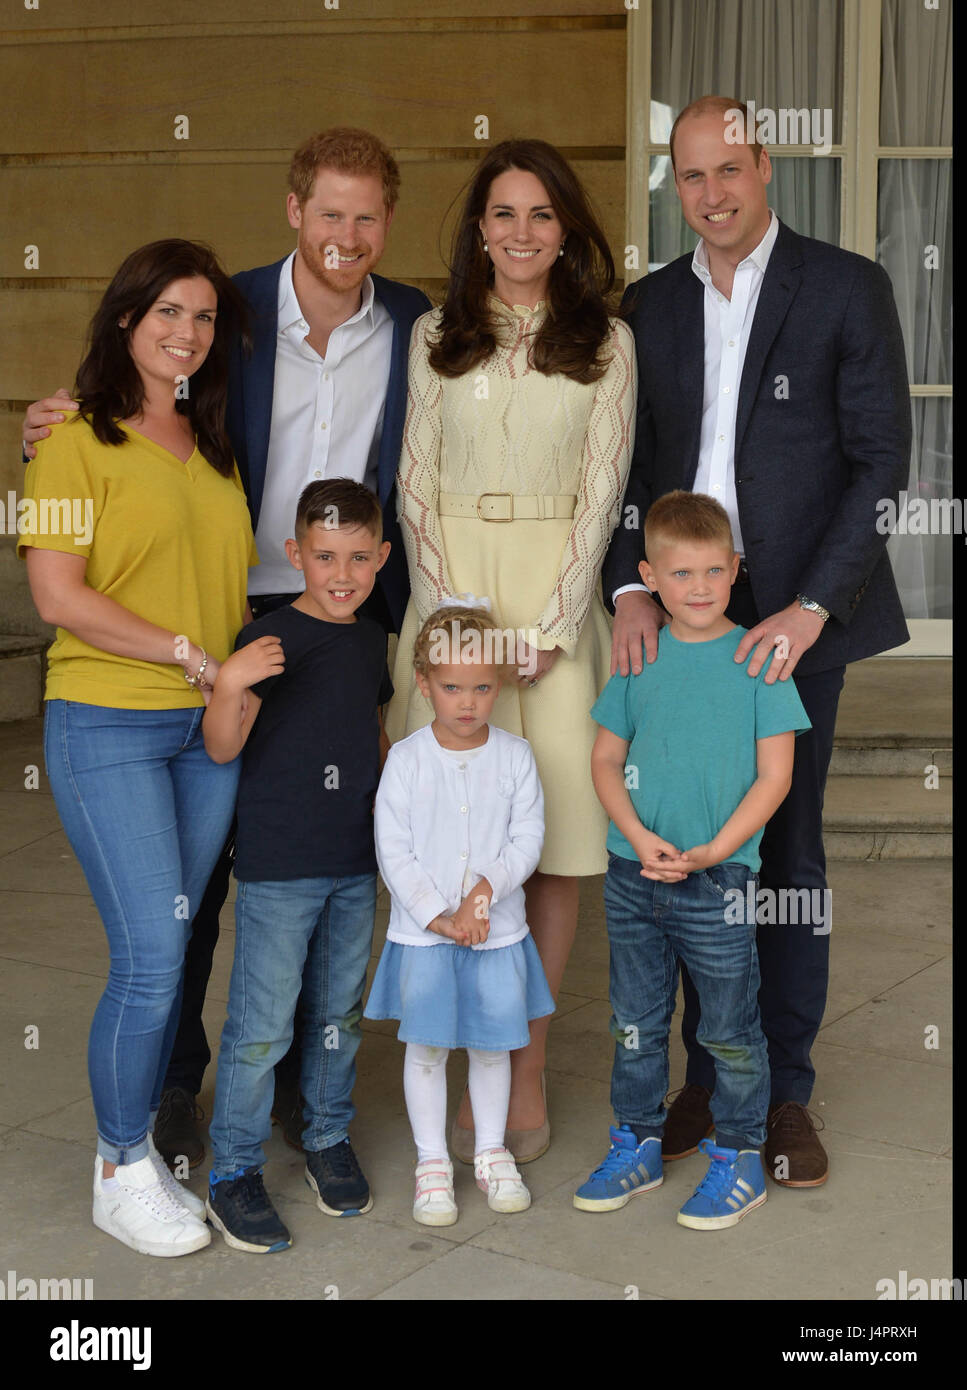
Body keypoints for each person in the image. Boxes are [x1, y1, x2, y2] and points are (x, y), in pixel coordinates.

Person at [22, 129, 432, 1168]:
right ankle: (169, 1090)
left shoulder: (419, 322)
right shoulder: (230, 311)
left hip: (342, 622)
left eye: (367, 216)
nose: (347, 235)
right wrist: (65, 420)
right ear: (294, 208)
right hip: (223, 620)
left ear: (389, 223)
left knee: (314, 857)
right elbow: (135, 401)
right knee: (190, 894)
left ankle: (298, 1080)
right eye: (328, 211)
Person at [601, 95, 911, 1187]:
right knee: (681, 843)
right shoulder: (645, 306)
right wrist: (626, 587)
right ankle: (701, 1081)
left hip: (791, 633)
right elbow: (625, 472)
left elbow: (881, 462)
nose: (713, 194)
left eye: (728, 169)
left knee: (780, 858)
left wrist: (811, 605)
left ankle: (781, 1092)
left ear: (762, 163)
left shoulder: (844, 286)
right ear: (672, 185)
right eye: (691, 177)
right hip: (675, 621)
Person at [388, 139, 636, 1162]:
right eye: (503, 213)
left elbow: (603, 488)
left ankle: (524, 1062)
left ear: (567, 229)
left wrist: (549, 619)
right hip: (455, 601)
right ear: (478, 228)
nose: (522, 232)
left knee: (556, 852)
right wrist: (463, 621)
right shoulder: (435, 333)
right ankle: (452, 1049)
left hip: (554, 615)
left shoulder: (610, 344)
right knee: (452, 828)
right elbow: (411, 480)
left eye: (541, 214)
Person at [18, 239, 254, 1257]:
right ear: (125, 319)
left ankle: (141, 1153)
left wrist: (215, 684)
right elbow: (56, 594)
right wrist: (187, 655)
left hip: (204, 735)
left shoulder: (214, 443)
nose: (185, 333)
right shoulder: (73, 438)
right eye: (165, 312)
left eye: (202, 317)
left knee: (178, 938)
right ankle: (120, 1165)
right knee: (153, 956)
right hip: (108, 718)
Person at [576, 491, 810, 1228]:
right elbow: (606, 761)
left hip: (720, 880)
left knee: (727, 1028)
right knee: (635, 1023)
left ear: (735, 570)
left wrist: (717, 849)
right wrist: (634, 835)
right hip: (632, 874)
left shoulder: (759, 663)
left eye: (714, 571)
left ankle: (742, 1154)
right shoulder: (639, 659)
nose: (699, 588)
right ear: (649, 577)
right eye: (681, 575)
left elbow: (775, 776)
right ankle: (637, 1141)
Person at [201, 478, 393, 1252]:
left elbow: (373, 736)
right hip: (280, 865)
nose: (341, 572)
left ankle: (324, 1136)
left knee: (338, 1014)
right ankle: (233, 1172)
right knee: (261, 1025)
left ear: (381, 556)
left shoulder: (373, 636)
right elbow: (222, 746)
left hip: (354, 861)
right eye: (323, 556)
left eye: (356, 556)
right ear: (295, 555)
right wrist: (227, 682)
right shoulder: (267, 640)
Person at [368, 604, 555, 1224]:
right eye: (451, 688)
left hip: (495, 935)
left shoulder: (516, 756)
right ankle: (431, 1162)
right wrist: (434, 915)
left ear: (499, 685)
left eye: (481, 688)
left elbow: (526, 840)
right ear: (424, 684)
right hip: (425, 940)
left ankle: (491, 1151)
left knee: (491, 1047)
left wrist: (483, 892)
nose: (467, 702)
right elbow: (393, 847)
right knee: (425, 1048)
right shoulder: (407, 760)